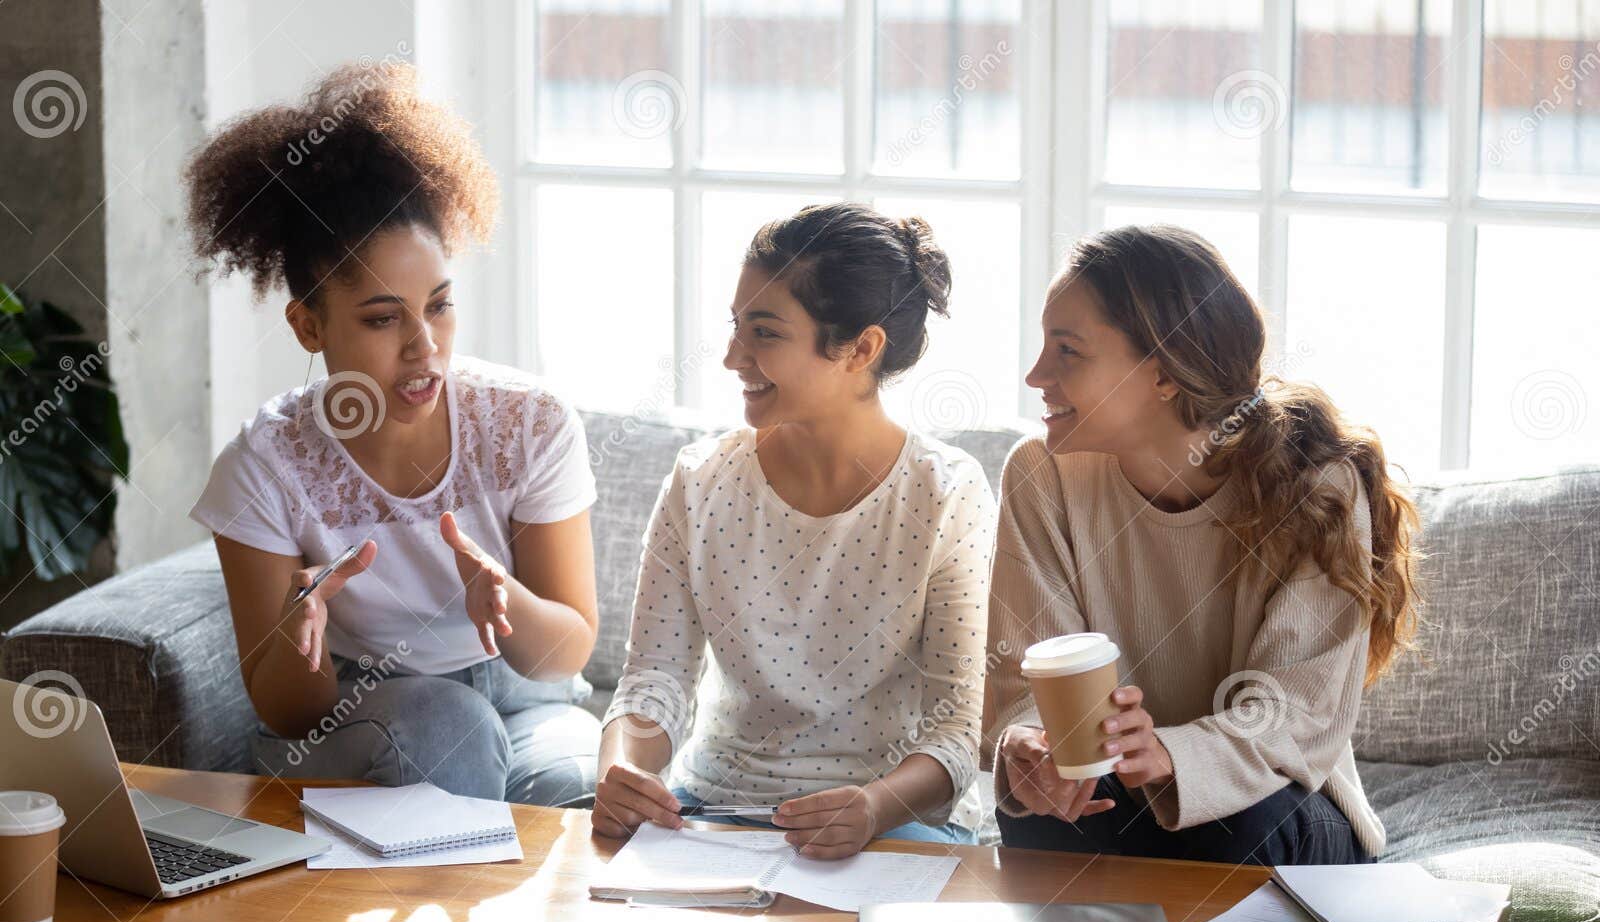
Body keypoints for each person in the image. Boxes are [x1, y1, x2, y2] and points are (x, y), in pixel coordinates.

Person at [185, 63, 601, 805]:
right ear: (308, 326)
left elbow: (567, 651)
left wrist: (505, 598)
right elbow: (288, 710)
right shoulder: (264, 464)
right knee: (448, 726)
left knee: (576, 777)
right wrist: (299, 627)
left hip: (521, 695)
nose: (424, 346)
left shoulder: (528, 422)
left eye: (439, 306)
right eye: (383, 318)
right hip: (356, 712)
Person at [982, 224, 1421, 865]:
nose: (1036, 374)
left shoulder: (1316, 486)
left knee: (1236, 828)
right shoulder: (1042, 474)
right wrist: (1029, 747)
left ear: (1163, 373)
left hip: (1276, 806)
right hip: (1123, 797)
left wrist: (1169, 754)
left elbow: (1296, 713)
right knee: (1043, 819)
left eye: (1067, 350)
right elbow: (1028, 672)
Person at [593, 203, 996, 858]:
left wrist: (870, 808)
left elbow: (958, 725)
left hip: (893, 825)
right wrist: (622, 767)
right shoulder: (700, 480)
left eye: (764, 332)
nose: (730, 357)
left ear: (861, 349)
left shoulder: (947, 493)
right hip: (716, 804)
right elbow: (654, 679)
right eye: (735, 326)